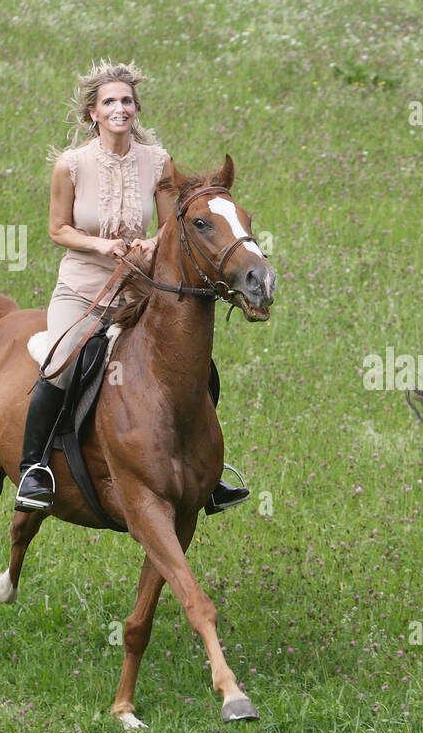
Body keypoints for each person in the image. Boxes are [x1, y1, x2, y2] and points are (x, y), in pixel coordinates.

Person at [15, 60, 249, 513]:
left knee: (196, 368)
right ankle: (34, 468)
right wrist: (101, 247)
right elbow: (58, 229)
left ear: (136, 109)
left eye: (126, 101)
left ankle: (209, 475)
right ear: (93, 114)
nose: (119, 108)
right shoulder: (71, 165)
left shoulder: (158, 162)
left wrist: (148, 243)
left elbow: (171, 226)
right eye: (109, 102)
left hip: (140, 287)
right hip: (83, 287)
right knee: (62, 364)